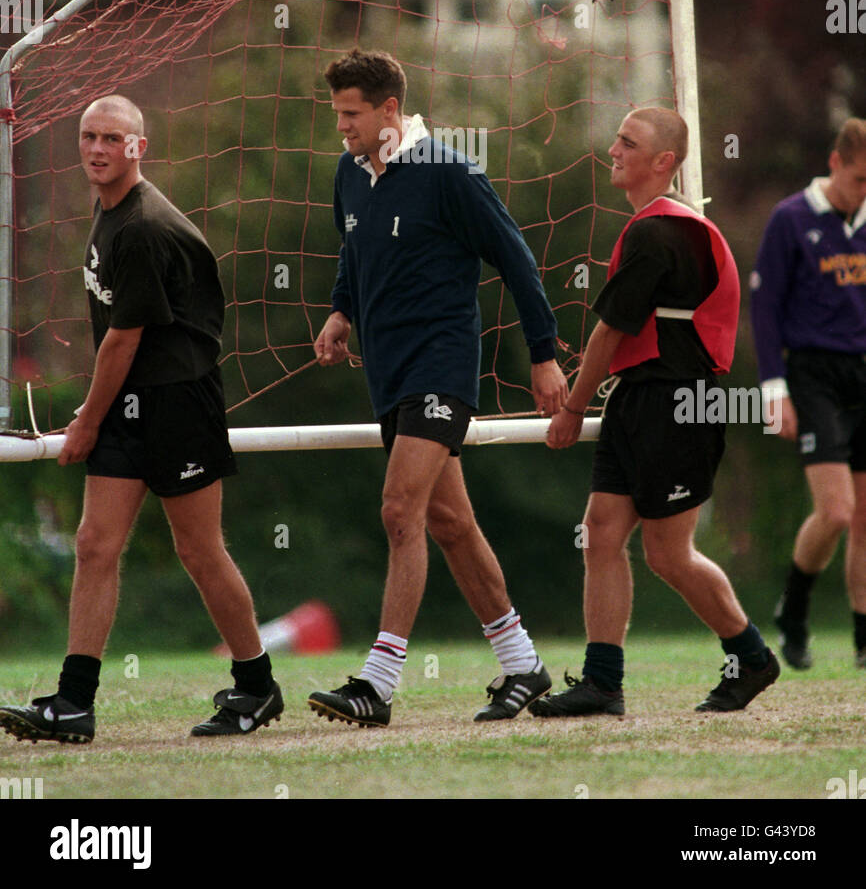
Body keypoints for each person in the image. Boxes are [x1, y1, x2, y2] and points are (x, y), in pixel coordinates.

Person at [0, 95, 281, 744]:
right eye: (88, 136)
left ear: (138, 147)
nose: (97, 149)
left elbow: (122, 341)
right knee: (96, 544)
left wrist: (86, 423)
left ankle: (257, 684)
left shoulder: (146, 226)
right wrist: (98, 413)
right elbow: (117, 347)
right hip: (127, 400)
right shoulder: (108, 209)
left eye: (112, 138)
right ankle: (73, 703)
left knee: (199, 550)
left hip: (178, 401)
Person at [308, 49, 568, 726]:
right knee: (451, 523)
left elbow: (515, 257)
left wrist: (543, 355)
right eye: (337, 114)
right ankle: (523, 665)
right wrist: (340, 313)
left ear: (390, 109)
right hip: (390, 373)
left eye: (352, 114)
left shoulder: (449, 172)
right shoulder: (349, 174)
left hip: (442, 366)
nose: (342, 127)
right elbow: (353, 251)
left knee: (400, 511)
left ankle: (378, 682)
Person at [530, 107, 778, 718]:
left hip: (678, 402)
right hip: (642, 400)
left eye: (627, 141)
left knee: (669, 553)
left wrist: (571, 408)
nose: (612, 148)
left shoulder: (660, 231)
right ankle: (602, 684)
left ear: (664, 161)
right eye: (616, 136)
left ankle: (751, 657)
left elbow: (610, 334)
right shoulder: (653, 227)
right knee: (603, 533)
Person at [751, 117, 866, 670]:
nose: (865, 190)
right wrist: (775, 388)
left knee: (865, 517)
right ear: (836, 163)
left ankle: (863, 639)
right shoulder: (791, 219)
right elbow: (765, 309)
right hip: (814, 376)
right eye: (862, 178)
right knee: (837, 511)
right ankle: (793, 610)